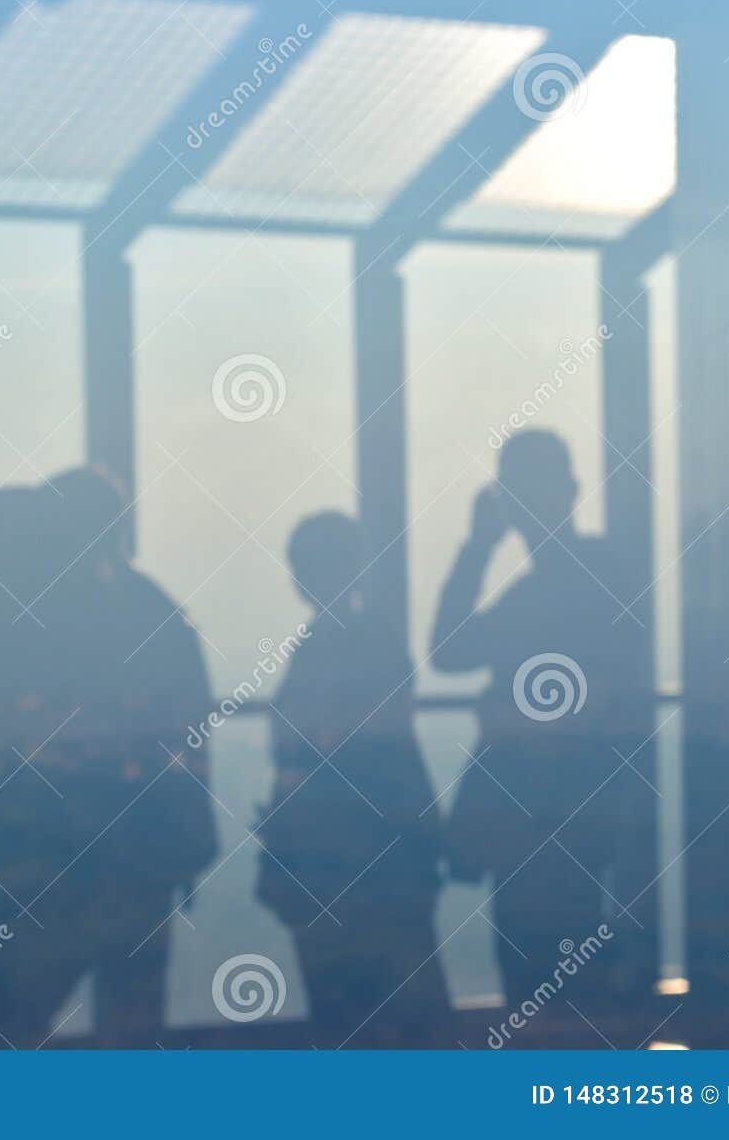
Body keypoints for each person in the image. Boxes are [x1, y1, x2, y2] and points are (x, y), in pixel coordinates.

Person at [0, 468, 215, 1044]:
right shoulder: (154, 612)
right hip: (139, 853)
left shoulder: (17, 619)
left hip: (43, 859)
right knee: (129, 1024)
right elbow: (189, 733)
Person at [430, 430, 651, 1014]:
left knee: (540, 979)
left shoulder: (564, 583)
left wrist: (478, 547)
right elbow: (449, 653)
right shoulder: (582, 577)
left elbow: (448, 650)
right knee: (555, 981)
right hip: (559, 819)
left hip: (544, 819)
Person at [255, 512, 446, 1042]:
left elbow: (306, 751)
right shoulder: (372, 644)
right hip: (380, 857)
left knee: (348, 1015)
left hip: (339, 863)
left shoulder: (328, 649)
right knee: (406, 1018)